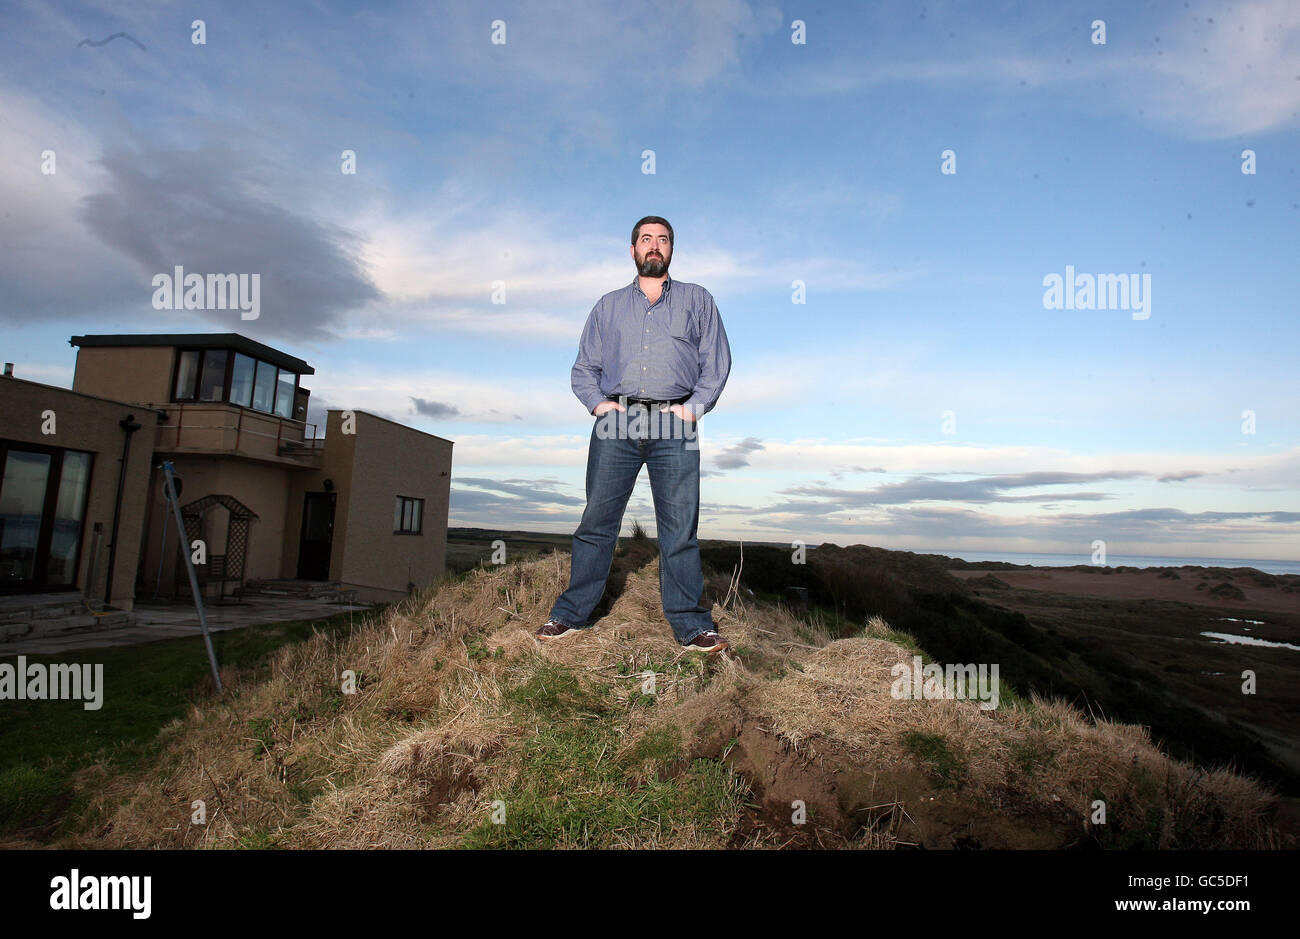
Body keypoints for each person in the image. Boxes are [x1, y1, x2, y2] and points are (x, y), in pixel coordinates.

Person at [538, 216, 732, 652]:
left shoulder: (698, 300)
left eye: (663, 240)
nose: (654, 246)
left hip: (674, 424)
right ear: (633, 250)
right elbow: (584, 368)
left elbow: (716, 364)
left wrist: (691, 411)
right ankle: (570, 615)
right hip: (617, 422)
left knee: (680, 530)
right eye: (646, 239)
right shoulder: (607, 306)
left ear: (671, 251)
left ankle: (690, 625)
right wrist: (599, 405)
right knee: (596, 523)